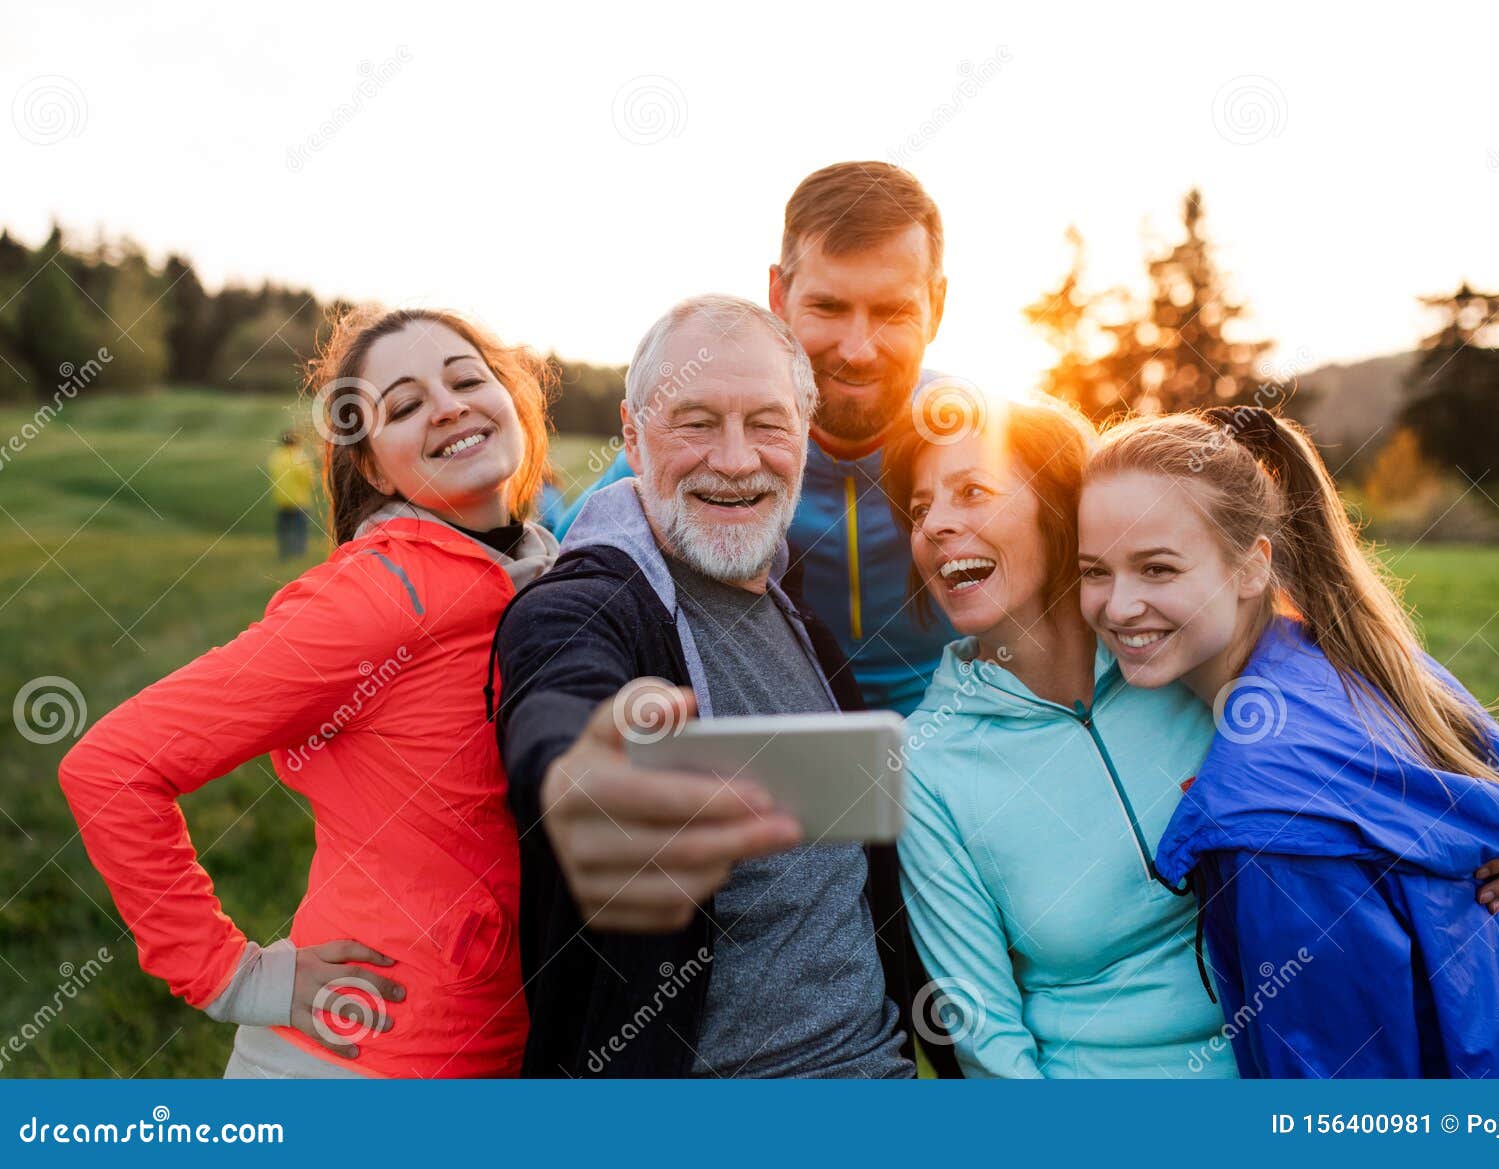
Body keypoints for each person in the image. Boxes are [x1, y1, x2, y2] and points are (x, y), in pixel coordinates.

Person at [881, 387, 1499, 1078]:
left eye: (972, 491)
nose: (935, 526)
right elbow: (987, 1040)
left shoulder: (1185, 657)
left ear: (1063, 512)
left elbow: (1405, 753)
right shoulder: (931, 764)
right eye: (919, 509)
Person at [58, 307, 560, 1078]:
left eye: (466, 378)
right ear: (374, 468)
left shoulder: (549, 573)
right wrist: (233, 975)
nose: (450, 404)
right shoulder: (379, 593)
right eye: (404, 405)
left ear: (512, 402)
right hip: (350, 1071)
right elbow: (112, 765)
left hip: (495, 1055)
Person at [1077, 406, 1499, 1077]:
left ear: (1250, 568)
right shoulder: (1351, 654)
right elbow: (1493, 774)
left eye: (1157, 569)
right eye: (1095, 570)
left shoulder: (1271, 826)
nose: (1118, 607)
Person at [492, 294, 925, 1078]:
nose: (734, 459)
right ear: (631, 434)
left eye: (767, 423)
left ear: (803, 437)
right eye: (695, 422)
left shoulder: (807, 630)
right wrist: (574, 773)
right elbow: (557, 687)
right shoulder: (590, 601)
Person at [553, 161, 955, 715]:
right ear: (779, 294)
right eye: (828, 307)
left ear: (937, 307)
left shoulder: (984, 442)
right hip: (781, 762)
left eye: (893, 311)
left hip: (959, 762)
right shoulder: (691, 453)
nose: (859, 349)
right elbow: (556, 576)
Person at [267, 430, 314, 559]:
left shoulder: (276, 457)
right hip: (300, 500)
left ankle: (284, 552)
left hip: (281, 500)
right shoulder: (300, 457)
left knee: (284, 529)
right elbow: (308, 479)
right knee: (300, 530)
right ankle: (299, 553)